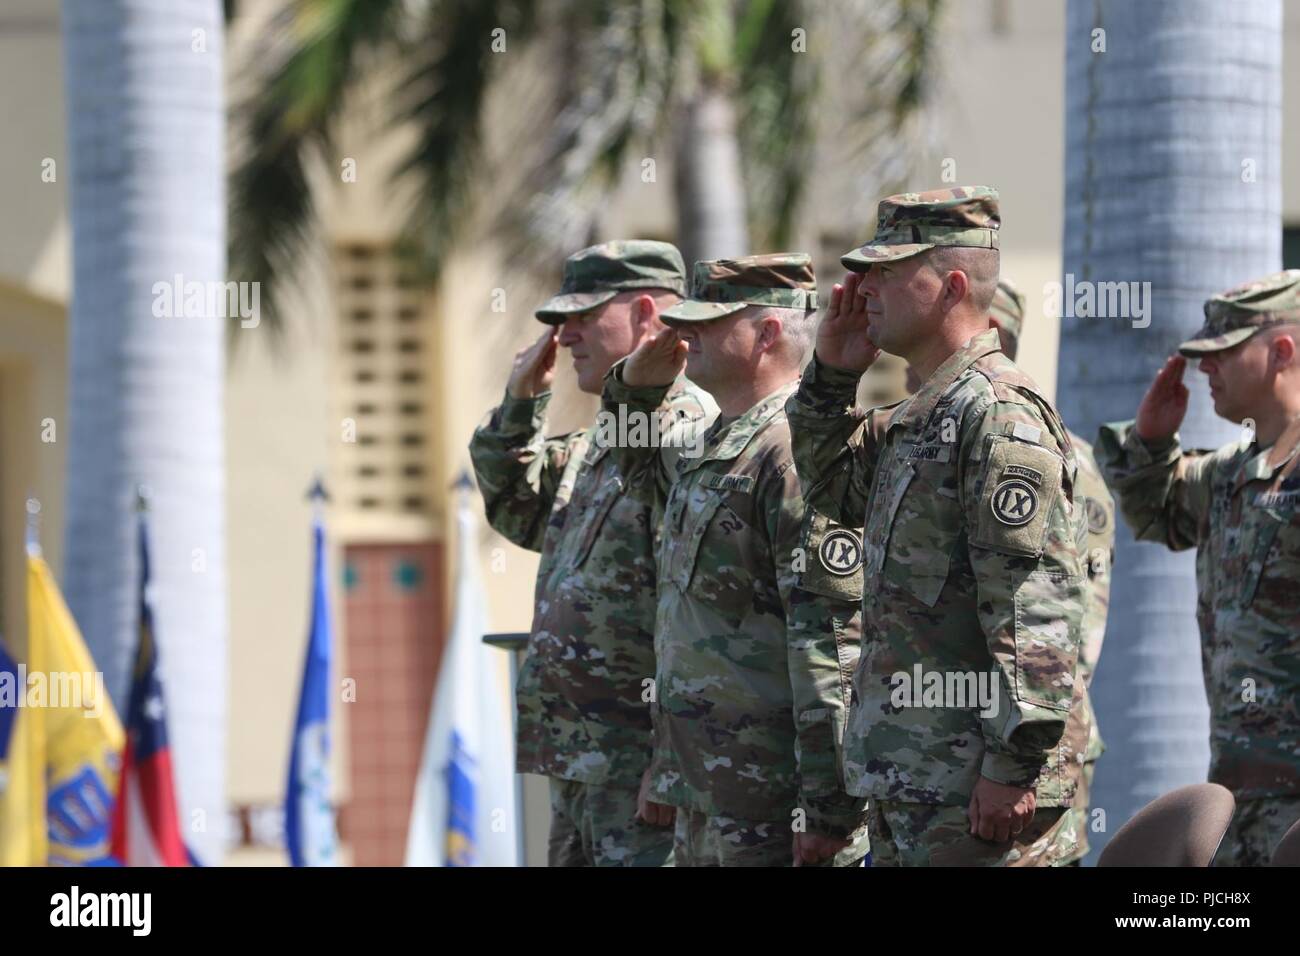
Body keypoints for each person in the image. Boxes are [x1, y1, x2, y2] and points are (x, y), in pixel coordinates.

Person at [787, 186, 1089, 865]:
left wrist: (1010, 767)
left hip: (974, 797)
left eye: (889, 272)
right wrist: (832, 379)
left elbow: (1034, 609)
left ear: (951, 285)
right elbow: (831, 485)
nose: (864, 289)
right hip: (913, 783)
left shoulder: (998, 416)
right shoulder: (919, 416)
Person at [603, 254, 869, 866]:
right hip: (708, 791)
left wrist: (825, 809)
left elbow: (826, 642)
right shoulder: (715, 444)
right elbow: (632, 462)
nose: (685, 333)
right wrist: (634, 386)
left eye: (708, 321)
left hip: (772, 804)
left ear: (768, 334)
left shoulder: (791, 453)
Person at [468, 240, 715, 866]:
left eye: (582, 316)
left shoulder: (686, 432)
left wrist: (669, 756)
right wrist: (521, 403)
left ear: (645, 316)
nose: (566, 334)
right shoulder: (599, 441)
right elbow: (518, 509)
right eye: (561, 321)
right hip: (582, 758)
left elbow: (701, 611)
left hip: (643, 765)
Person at [1097, 269, 1300, 866]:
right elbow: (1158, 514)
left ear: (1282, 350)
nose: (1204, 368)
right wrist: (1152, 441)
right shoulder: (1231, 472)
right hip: (1242, 792)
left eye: (1223, 353)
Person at [985, 278, 1114, 865]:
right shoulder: (918, 431)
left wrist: (1015, 753)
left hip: (1029, 753)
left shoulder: (1042, 448)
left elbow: (1065, 624)